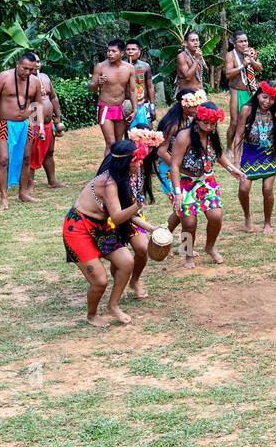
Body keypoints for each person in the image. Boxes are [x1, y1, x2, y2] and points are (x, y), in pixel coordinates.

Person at [62, 139, 149, 327]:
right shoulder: (109, 184)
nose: (140, 163)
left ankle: (113, 306)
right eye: (137, 160)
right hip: (78, 229)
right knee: (100, 281)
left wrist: (152, 229)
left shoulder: (121, 178)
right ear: (125, 161)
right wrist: (137, 206)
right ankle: (91, 315)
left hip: (101, 227)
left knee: (126, 262)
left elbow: (123, 214)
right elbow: (118, 217)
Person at [169, 101, 245, 267]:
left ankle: (210, 247)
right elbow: (174, 165)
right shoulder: (184, 136)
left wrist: (232, 169)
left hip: (207, 181)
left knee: (216, 216)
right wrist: (177, 192)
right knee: (189, 223)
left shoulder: (211, 134)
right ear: (197, 119)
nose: (210, 127)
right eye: (207, 123)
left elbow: (218, 155)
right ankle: (188, 254)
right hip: (185, 182)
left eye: (213, 124)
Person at [0, 52, 42, 209]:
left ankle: (23, 193)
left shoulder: (35, 82)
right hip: (5, 123)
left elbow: (37, 104)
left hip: (26, 124)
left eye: (30, 69)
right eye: (24, 68)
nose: (27, 72)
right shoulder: (3, 77)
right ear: (18, 64)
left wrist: (37, 126)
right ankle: (4, 198)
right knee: (4, 160)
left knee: (26, 159)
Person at [229, 80, 276, 233]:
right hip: (249, 154)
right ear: (258, 94)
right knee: (244, 188)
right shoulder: (247, 109)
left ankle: (268, 223)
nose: (267, 102)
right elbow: (238, 136)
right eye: (265, 97)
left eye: (271, 99)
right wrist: (237, 162)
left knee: (267, 189)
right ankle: (247, 216)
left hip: (269, 155)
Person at [124, 128, 164, 299]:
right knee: (120, 257)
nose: (146, 151)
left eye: (150, 147)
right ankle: (120, 281)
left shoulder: (142, 167)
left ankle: (134, 280)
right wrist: (152, 228)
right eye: (143, 146)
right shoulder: (122, 169)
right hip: (112, 217)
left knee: (142, 249)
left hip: (132, 215)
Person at [155, 88, 202, 230]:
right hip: (168, 169)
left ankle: (164, 235)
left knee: (182, 208)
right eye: (194, 105)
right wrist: (180, 167)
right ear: (184, 104)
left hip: (178, 169)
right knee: (185, 210)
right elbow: (161, 151)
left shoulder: (186, 120)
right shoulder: (173, 123)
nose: (197, 108)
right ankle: (184, 246)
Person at [27, 55, 67, 191]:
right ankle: (30, 183)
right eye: (33, 62)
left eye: (38, 61)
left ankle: (52, 180)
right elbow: (28, 103)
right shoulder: (24, 80)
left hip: (49, 122)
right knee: (31, 152)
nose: (37, 64)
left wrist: (58, 117)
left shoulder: (45, 77)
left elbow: (54, 98)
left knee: (49, 151)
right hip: (34, 120)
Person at [89, 39, 137, 147]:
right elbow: (91, 88)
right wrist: (97, 82)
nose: (110, 54)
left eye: (114, 51)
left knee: (119, 142)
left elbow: (133, 90)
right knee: (111, 143)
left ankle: (117, 164)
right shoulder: (100, 66)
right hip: (105, 108)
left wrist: (134, 110)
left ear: (122, 53)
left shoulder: (129, 68)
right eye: (108, 51)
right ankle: (108, 164)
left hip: (121, 108)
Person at [224, 30, 262, 129]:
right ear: (235, 43)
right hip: (236, 91)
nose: (244, 44)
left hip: (251, 91)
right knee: (234, 122)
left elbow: (259, 68)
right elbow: (228, 74)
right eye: (241, 42)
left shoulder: (251, 52)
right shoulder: (230, 55)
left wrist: (251, 59)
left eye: (245, 41)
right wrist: (243, 65)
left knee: (251, 120)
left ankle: (245, 143)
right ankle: (229, 145)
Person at [125, 40, 157, 128]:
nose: (130, 51)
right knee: (129, 134)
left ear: (139, 52)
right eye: (128, 49)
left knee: (148, 132)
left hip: (144, 104)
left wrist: (152, 106)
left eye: (133, 49)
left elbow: (150, 87)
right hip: (128, 106)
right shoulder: (121, 67)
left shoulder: (145, 66)